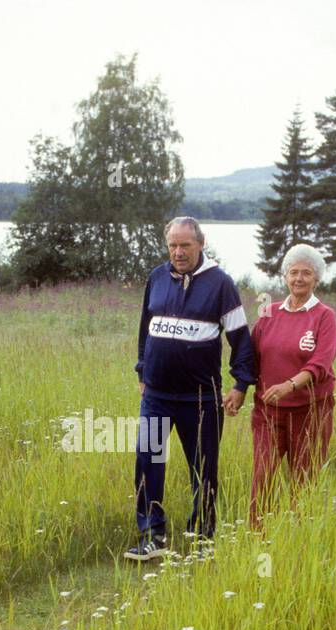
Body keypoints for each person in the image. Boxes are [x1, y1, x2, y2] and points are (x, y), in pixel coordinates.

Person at [125, 216, 255, 561]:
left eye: (185, 245)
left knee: (203, 468)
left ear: (200, 244)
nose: (178, 252)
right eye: (172, 245)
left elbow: (241, 339)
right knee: (148, 461)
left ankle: (202, 539)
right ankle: (152, 536)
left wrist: (241, 384)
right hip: (156, 396)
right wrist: (142, 370)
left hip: (200, 399)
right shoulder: (157, 278)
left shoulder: (221, 284)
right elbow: (145, 330)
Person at [249, 243, 336, 528]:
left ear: (316, 279)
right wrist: (238, 390)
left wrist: (290, 385)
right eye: (293, 272)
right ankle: (257, 536)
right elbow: (250, 358)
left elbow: (320, 364)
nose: (299, 278)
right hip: (268, 413)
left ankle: (298, 538)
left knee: (304, 481)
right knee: (263, 476)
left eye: (306, 273)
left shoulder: (325, 316)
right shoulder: (269, 313)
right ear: (285, 276)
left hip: (310, 412)